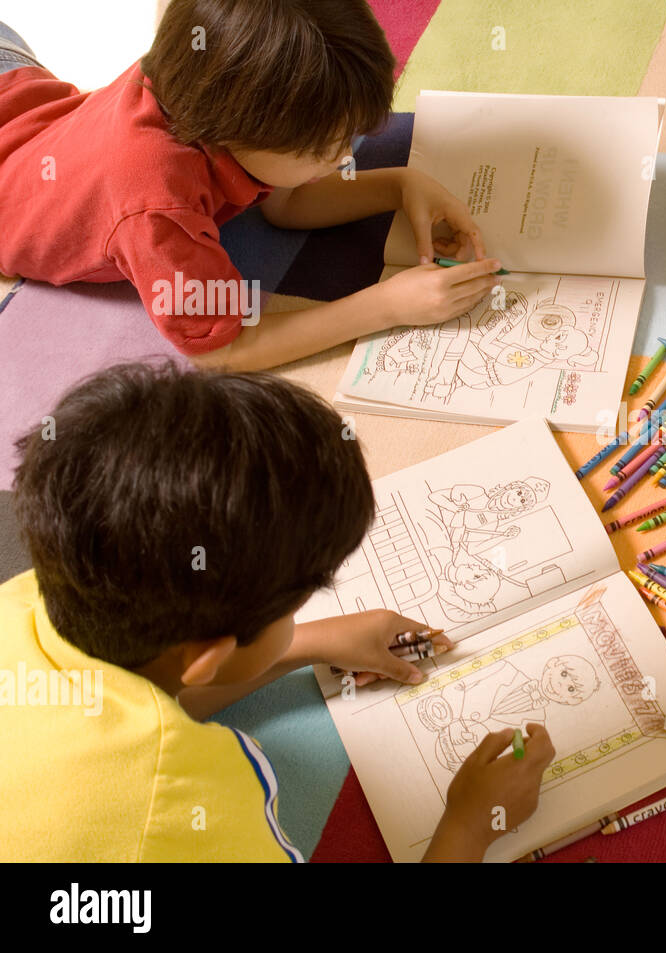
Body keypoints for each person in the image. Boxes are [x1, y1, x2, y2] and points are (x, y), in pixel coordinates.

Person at [0, 362, 553, 861]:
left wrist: (302, 644)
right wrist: (470, 826)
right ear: (209, 654)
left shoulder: (30, 597)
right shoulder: (187, 808)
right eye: (293, 608)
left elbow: (155, 682)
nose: (298, 615)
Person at [0, 0, 501, 371]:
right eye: (322, 149)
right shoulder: (156, 210)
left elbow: (287, 204)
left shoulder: (202, 70)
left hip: (18, 86)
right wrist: (385, 306)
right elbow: (222, 351)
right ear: (236, 130)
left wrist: (399, 184)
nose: (344, 160)